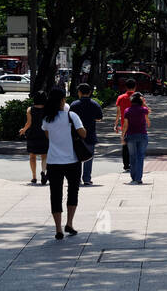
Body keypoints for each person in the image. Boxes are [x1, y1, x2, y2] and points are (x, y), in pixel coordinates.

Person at [40, 86, 86, 240]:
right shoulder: (71, 116)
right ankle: (69, 223)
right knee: (73, 191)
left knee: (55, 194)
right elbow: (83, 134)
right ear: (63, 100)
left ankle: (58, 229)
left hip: (53, 161)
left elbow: (48, 136)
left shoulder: (47, 119)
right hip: (72, 160)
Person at [70, 83, 104, 185]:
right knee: (89, 157)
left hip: (76, 135)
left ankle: (77, 178)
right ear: (90, 92)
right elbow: (99, 118)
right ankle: (87, 179)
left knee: (76, 157)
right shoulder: (95, 104)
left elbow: (69, 119)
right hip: (90, 134)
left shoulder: (74, 105)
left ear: (79, 92)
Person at [114, 77, 146, 172]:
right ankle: (135, 164)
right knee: (137, 146)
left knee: (125, 145)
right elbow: (144, 110)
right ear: (135, 87)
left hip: (125, 124)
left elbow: (118, 112)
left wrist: (116, 124)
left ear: (125, 87)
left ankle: (126, 165)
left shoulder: (120, 98)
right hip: (138, 125)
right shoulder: (139, 97)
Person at [18, 91, 48, 185]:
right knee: (44, 155)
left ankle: (34, 177)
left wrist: (23, 130)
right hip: (45, 133)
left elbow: (29, 123)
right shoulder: (48, 109)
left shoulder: (30, 109)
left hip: (33, 134)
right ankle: (43, 172)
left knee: (32, 156)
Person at [121, 91, 150, 183]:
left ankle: (133, 177)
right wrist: (144, 103)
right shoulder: (143, 110)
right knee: (140, 157)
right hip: (142, 135)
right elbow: (149, 113)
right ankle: (138, 178)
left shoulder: (127, 110)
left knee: (132, 156)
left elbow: (125, 125)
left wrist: (122, 136)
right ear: (140, 101)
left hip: (131, 135)